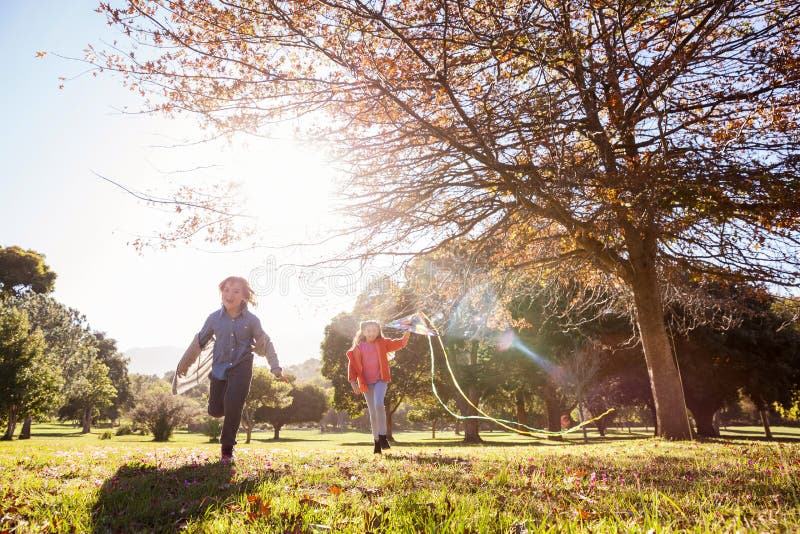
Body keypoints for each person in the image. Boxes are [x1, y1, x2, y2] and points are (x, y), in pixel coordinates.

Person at [176, 276, 286, 462]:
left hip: (242, 367)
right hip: (219, 369)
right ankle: (228, 408)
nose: (230, 294)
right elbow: (199, 341)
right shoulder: (213, 319)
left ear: (244, 296)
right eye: (226, 290)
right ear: (222, 293)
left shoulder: (252, 321)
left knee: (234, 404)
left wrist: (275, 368)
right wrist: (184, 365)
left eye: (236, 291)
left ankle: (227, 449)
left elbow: (265, 343)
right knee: (216, 410)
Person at [346, 320, 410, 454]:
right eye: (369, 330)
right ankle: (376, 442)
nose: (372, 333)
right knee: (373, 413)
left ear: (378, 331)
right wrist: (353, 383)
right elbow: (352, 366)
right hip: (366, 383)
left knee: (379, 404)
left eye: (374, 330)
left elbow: (401, 343)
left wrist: (408, 330)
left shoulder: (383, 343)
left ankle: (382, 436)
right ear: (363, 332)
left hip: (381, 380)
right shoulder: (358, 348)